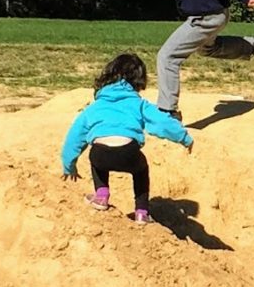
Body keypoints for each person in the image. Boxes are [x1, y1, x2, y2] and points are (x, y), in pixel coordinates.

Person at [60, 52, 193, 225]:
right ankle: (142, 212)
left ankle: (101, 196)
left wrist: (69, 165)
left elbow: (75, 137)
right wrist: (184, 137)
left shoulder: (95, 107)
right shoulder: (139, 104)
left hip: (100, 154)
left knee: (95, 158)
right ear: (138, 81)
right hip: (128, 152)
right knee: (141, 170)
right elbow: (162, 123)